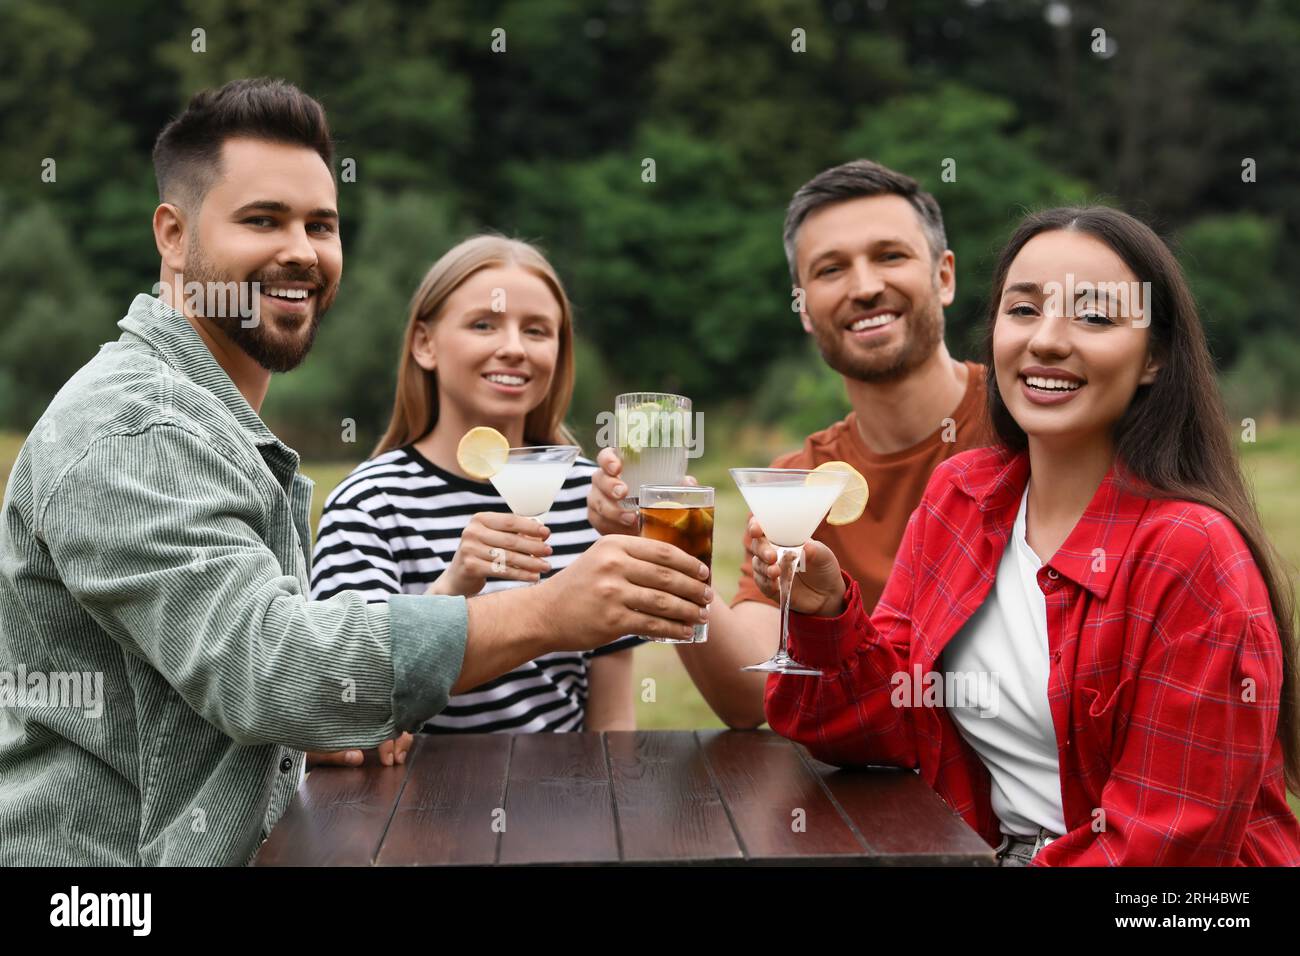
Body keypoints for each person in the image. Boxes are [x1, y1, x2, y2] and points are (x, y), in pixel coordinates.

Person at [0, 78, 709, 866]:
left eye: (321, 225)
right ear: (173, 234)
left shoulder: (213, 425)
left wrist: (316, 737)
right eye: (262, 220)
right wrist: (548, 613)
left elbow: (239, 696)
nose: (300, 251)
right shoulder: (135, 426)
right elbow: (270, 669)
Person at [755, 205, 1300, 866]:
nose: (1046, 340)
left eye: (1094, 316)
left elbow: (1160, 851)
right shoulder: (964, 496)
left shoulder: (1190, 555)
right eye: (1023, 310)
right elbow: (885, 724)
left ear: (1154, 357)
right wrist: (823, 610)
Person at [587, 160, 989, 728]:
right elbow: (751, 695)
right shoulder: (799, 479)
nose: (866, 286)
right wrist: (665, 537)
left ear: (944, 277)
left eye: (890, 256)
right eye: (831, 269)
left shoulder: (1027, 426)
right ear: (803, 306)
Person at [310, 235, 639, 736]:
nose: (512, 348)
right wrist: (452, 588)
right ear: (425, 343)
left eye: (537, 330)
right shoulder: (369, 503)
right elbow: (348, 697)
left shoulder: (592, 497)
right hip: (414, 803)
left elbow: (613, 720)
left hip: (569, 801)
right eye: (483, 324)